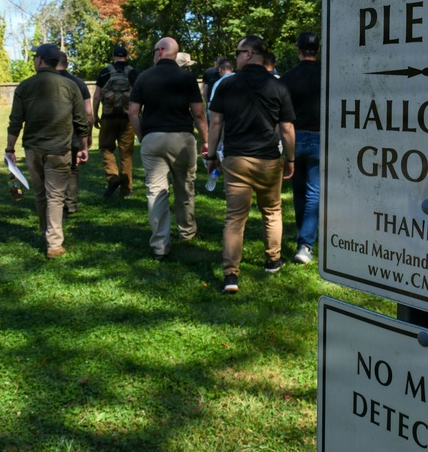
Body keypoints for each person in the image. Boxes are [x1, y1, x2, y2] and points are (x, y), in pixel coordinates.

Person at [206, 35, 296, 294]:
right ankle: (273, 260)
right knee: (272, 211)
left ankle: (231, 275)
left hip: (236, 159)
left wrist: (211, 156)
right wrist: (290, 159)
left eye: (237, 52)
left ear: (249, 54)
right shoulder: (279, 86)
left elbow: (215, 123)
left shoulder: (226, 84)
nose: (235, 56)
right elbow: (287, 128)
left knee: (235, 218)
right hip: (268, 159)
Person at [5, 44, 90, 258]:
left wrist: (10, 148)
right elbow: (82, 120)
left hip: (33, 149)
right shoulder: (71, 86)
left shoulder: (24, 86)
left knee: (41, 193)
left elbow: (15, 121)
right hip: (60, 149)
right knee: (55, 195)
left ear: (41, 60)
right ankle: (53, 243)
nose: (33, 60)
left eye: (35, 57)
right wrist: (84, 146)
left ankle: (47, 234)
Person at [128, 37, 209, 260]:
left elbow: (133, 112)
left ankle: (160, 246)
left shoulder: (144, 77)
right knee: (185, 187)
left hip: (153, 138)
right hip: (182, 139)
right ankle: (188, 232)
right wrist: (206, 140)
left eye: (155, 50)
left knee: (156, 192)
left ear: (161, 51)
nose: (154, 54)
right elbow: (199, 113)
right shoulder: (187, 77)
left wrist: (143, 136)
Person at [280, 31, 321, 264]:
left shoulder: (287, 78)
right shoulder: (328, 75)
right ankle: (305, 244)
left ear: (298, 50)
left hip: (293, 137)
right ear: (317, 50)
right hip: (319, 138)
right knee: (314, 191)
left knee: (299, 191)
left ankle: (303, 236)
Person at [92, 45, 138, 198]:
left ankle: (113, 177)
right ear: (127, 56)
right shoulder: (133, 72)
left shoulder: (105, 72)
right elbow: (139, 96)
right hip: (128, 118)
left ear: (113, 57)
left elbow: (97, 95)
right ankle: (126, 190)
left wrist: (95, 115)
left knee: (106, 148)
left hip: (108, 117)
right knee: (126, 153)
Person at [56, 50, 93, 213]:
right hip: (75, 132)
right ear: (67, 64)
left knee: (53, 169)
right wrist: (87, 134)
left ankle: (56, 203)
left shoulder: (48, 82)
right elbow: (88, 112)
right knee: (73, 168)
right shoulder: (78, 82)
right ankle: (70, 204)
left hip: (54, 132)